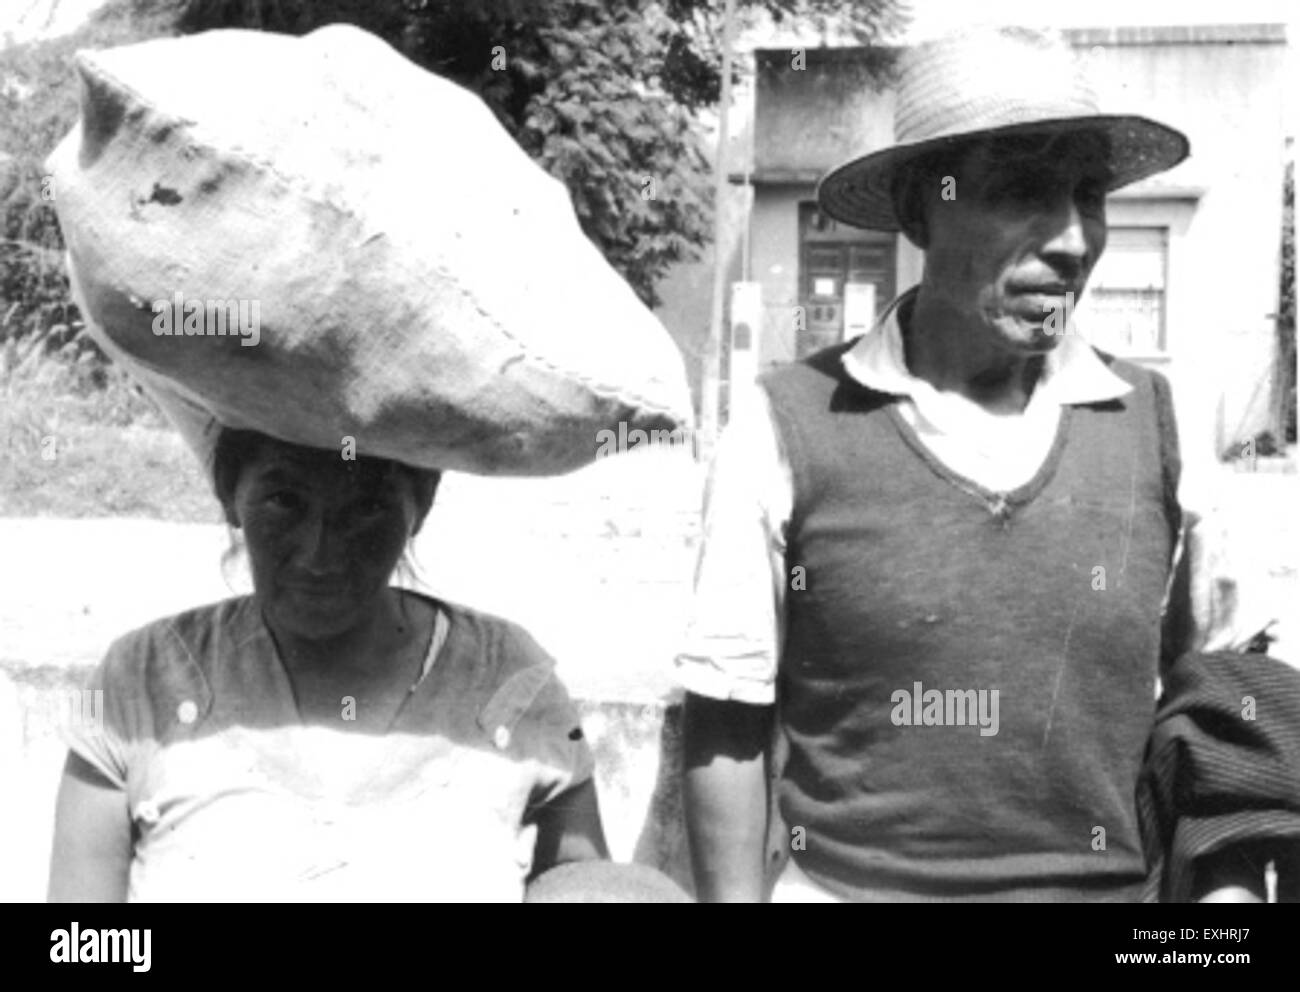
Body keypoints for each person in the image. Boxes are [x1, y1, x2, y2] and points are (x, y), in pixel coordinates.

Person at [678, 26, 1296, 903]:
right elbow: (726, 714)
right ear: (919, 211)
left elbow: (1238, 694)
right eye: (1021, 192)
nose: (1075, 240)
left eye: (1088, 195)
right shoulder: (787, 426)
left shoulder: (1160, 427)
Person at [48, 428, 607, 901]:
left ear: (424, 503)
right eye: (284, 501)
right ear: (228, 491)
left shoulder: (508, 684)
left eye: (367, 507)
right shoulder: (142, 680)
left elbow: (600, 892)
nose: (320, 554)